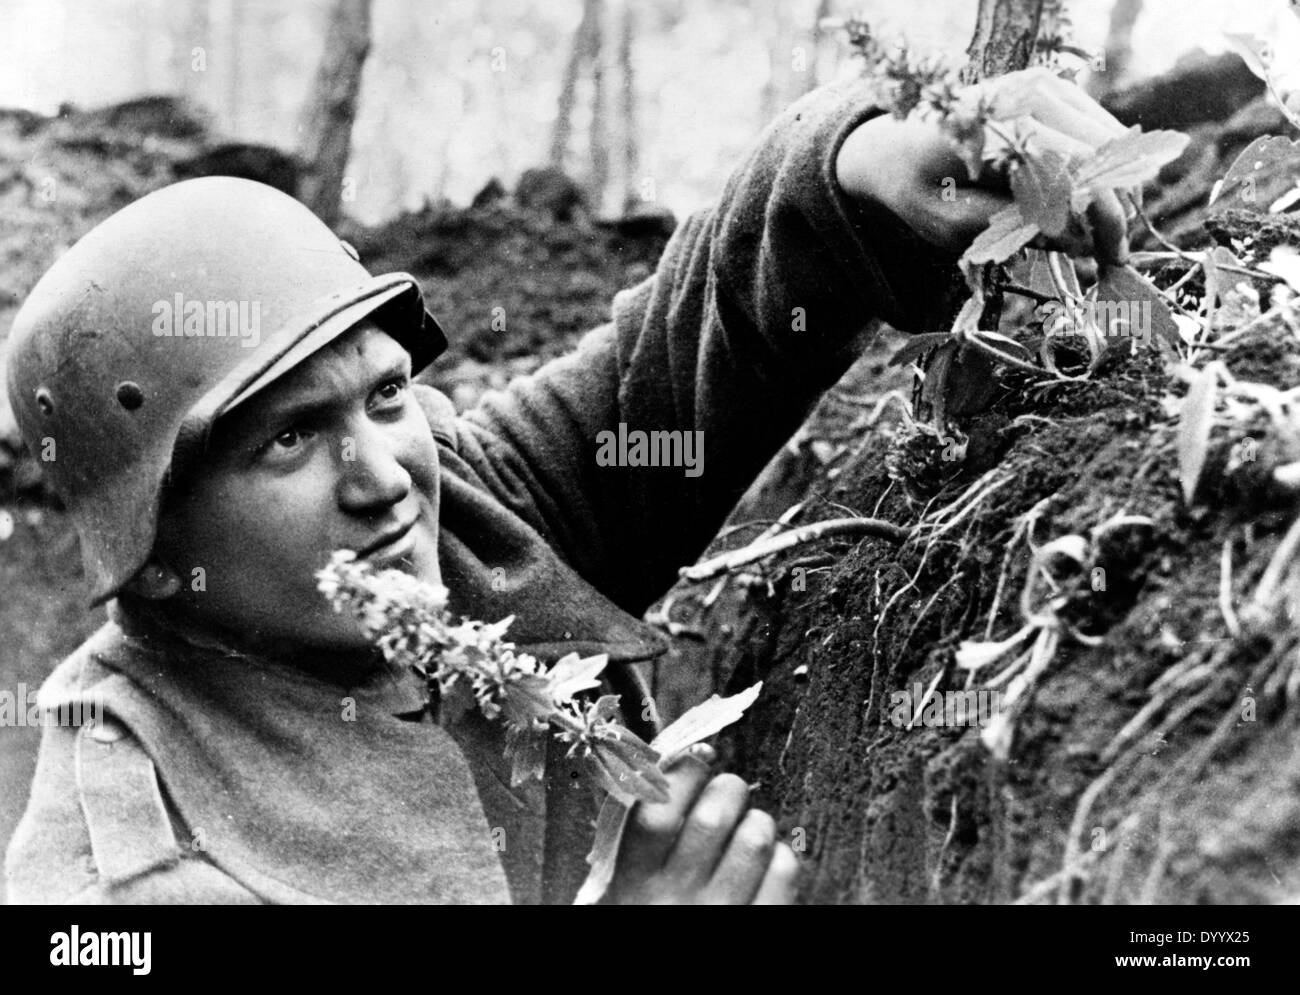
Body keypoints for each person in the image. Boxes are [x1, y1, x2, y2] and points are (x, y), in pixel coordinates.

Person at [3, 68, 1131, 904]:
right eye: (290, 441)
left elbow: (689, 345)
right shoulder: (117, 850)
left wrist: (861, 163)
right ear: (153, 538)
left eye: (387, 397)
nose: (383, 475)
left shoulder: (466, 530)